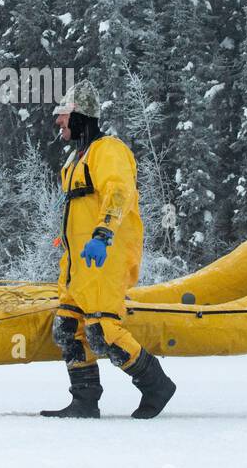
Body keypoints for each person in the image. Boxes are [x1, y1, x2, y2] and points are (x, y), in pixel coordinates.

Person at [41, 80, 176, 419]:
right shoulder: (77, 158)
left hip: (105, 255)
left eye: (64, 114)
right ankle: (84, 401)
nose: (58, 121)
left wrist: (102, 235)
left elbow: (118, 193)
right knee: (68, 328)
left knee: (101, 329)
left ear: (80, 115)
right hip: (76, 263)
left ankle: (155, 384)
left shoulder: (108, 150)